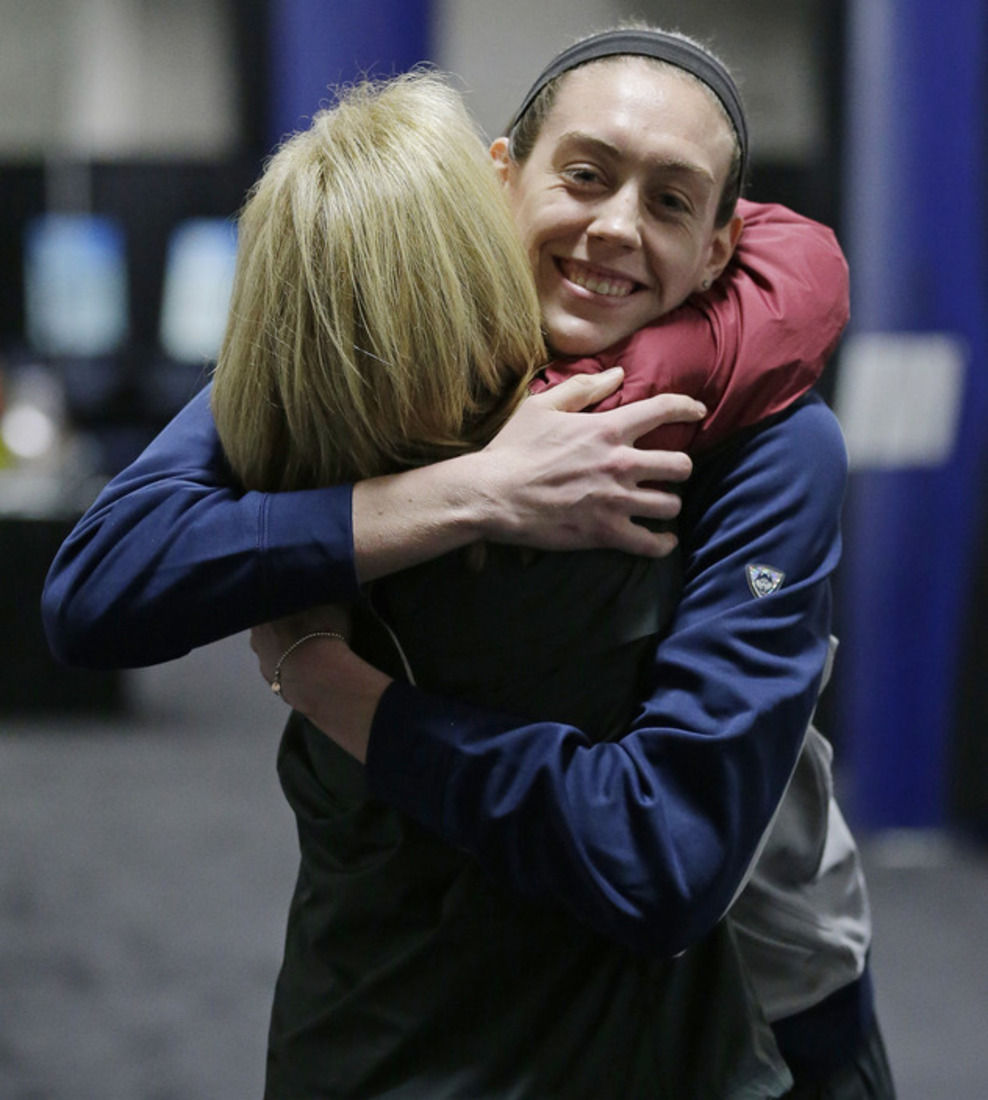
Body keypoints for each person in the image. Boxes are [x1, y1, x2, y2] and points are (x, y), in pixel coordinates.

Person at [41, 26, 894, 1099]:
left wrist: (349, 696)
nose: (615, 228)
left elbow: (664, 855)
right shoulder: (385, 349)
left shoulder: (762, 441)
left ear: (718, 249)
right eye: (584, 175)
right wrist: (467, 494)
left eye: (672, 202)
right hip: (373, 1020)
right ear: (502, 175)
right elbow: (98, 588)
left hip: (667, 1028)